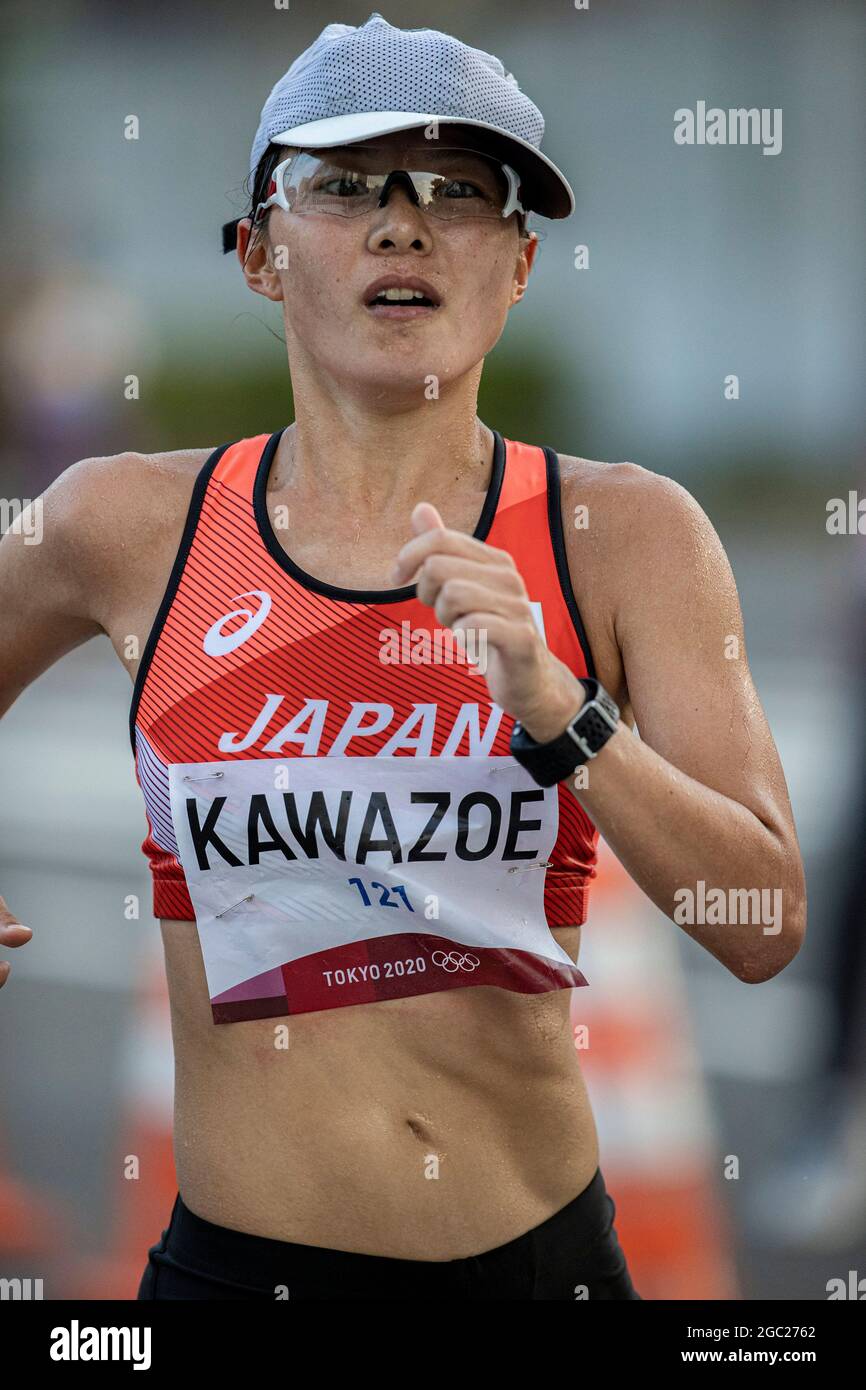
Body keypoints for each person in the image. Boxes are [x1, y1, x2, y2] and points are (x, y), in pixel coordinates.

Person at [0, 14, 806, 1300]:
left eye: (458, 191)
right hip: (229, 1274)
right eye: (342, 185)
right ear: (261, 252)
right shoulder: (126, 525)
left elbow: (762, 922)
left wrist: (566, 714)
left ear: (518, 265)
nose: (401, 223)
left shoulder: (628, 534)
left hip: (534, 1268)